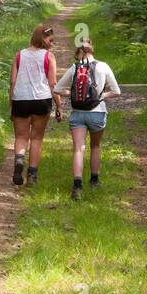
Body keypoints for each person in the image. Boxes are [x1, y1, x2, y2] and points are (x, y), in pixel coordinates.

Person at [54, 38, 121, 200]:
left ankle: (77, 186)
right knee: (95, 146)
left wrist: (72, 93)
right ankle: (94, 180)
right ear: (92, 51)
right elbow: (116, 91)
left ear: (80, 52)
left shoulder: (75, 67)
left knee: (78, 149)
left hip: (77, 113)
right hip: (97, 112)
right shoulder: (103, 66)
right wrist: (100, 95)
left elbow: (56, 89)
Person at [9, 23, 61, 186]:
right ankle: (32, 175)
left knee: (20, 136)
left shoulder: (19, 55)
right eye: (50, 40)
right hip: (41, 99)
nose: (52, 44)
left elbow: (13, 82)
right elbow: (53, 84)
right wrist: (59, 105)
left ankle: (19, 160)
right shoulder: (49, 57)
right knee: (37, 138)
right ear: (43, 39)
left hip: (21, 99)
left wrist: (11, 104)